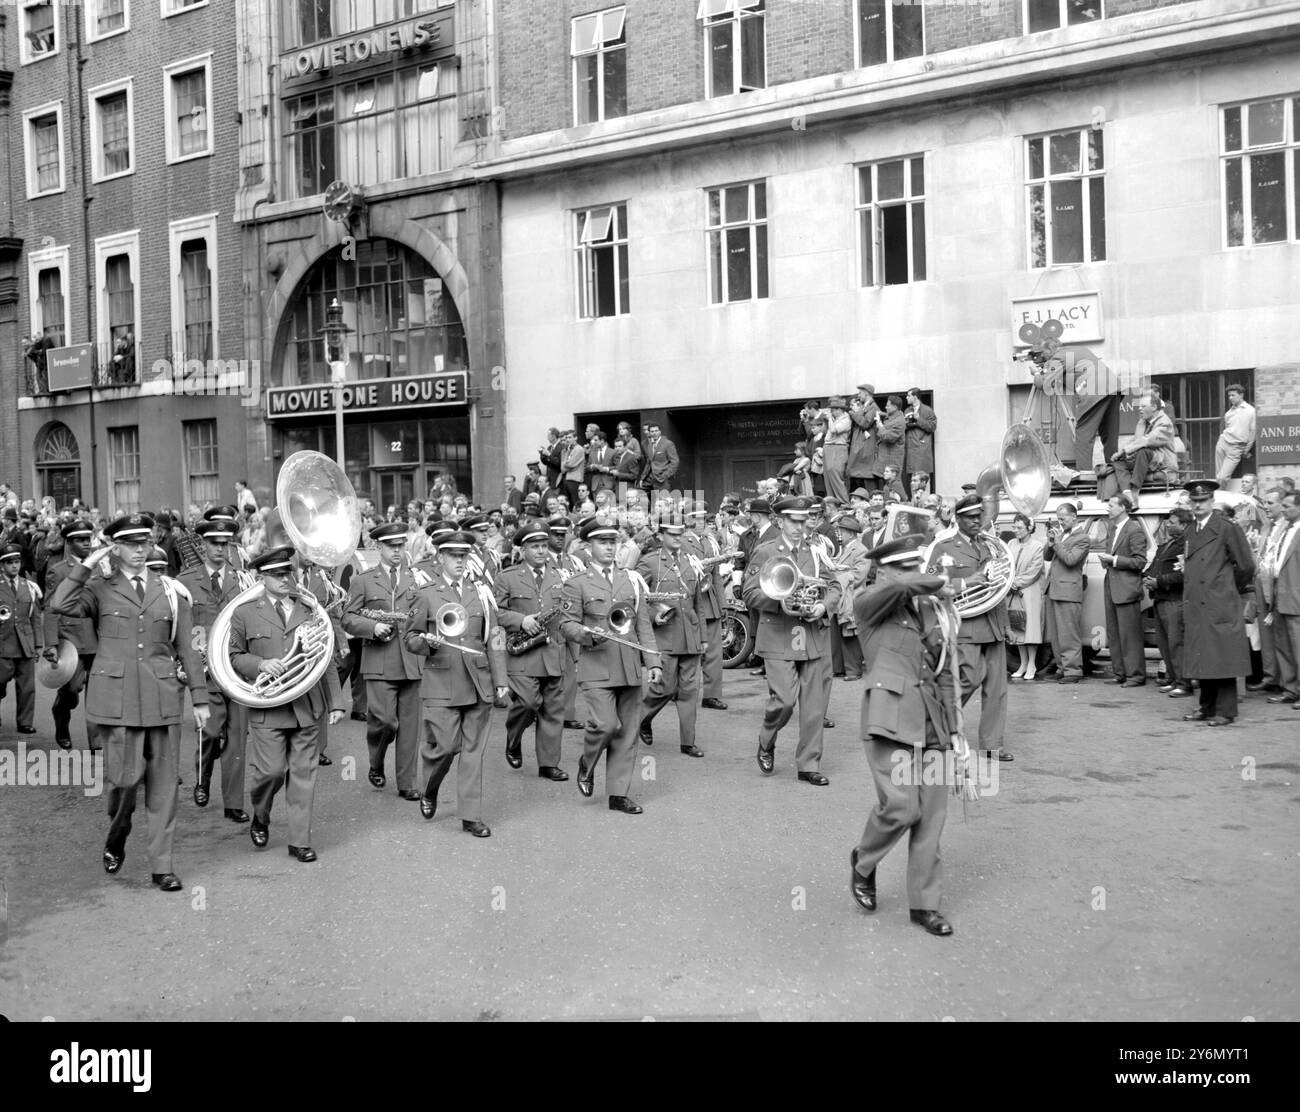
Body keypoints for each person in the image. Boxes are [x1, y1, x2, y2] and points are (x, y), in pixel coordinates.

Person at [51, 513, 209, 890]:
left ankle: (162, 866)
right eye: (130, 544)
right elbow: (60, 603)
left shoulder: (171, 591)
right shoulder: (99, 588)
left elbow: (187, 648)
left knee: (165, 785)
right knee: (124, 780)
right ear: (115, 547)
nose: (140, 550)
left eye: (145, 543)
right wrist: (89, 564)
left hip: (162, 697)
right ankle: (118, 831)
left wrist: (199, 699)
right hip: (118, 699)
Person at [849, 535, 959, 937]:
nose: (914, 573)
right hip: (889, 717)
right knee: (901, 807)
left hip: (931, 718)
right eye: (907, 567)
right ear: (886, 570)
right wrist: (937, 578)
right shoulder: (869, 601)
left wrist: (956, 728)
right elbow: (901, 586)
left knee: (931, 817)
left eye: (919, 565)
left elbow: (945, 668)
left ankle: (925, 906)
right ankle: (863, 861)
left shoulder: (928, 606)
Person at [404, 530, 508, 837]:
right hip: (441, 682)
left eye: (464, 556)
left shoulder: (481, 592)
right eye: (454, 556)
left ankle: (470, 815)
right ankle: (430, 787)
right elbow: (409, 638)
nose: (461, 562)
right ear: (441, 558)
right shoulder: (426, 593)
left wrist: (501, 680)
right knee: (446, 747)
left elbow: (494, 638)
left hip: (478, 682)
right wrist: (428, 643)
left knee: (473, 752)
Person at [560, 516, 663, 814]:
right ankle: (587, 761)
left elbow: (643, 624)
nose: (608, 548)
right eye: (601, 542)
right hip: (597, 665)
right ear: (588, 545)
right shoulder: (576, 583)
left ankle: (618, 794)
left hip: (629, 664)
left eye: (612, 542)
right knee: (605, 726)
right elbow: (566, 624)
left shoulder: (630, 579)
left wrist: (652, 661)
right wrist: (586, 635)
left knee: (628, 732)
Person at [741, 496, 842, 784]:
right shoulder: (766, 552)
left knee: (814, 706)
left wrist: (823, 607)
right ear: (780, 521)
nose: (800, 527)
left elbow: (833, 587)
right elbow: (749, 593)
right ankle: (766, 739)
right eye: (794, 521)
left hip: (812, 635)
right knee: (784, 700)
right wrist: (780, 598)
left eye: (803, 520)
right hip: (778, 635)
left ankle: (808, 765)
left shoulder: (816, 551)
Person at [924, 494, 1013, 761]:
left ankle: (992, 745)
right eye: (971, 517)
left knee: (997, 688)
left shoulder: (990, 545)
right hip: (966, 624)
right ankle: (938, 728)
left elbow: (1000, 585)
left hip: (993, 624)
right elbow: (929, 582)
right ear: (958, 519)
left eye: (979, 517)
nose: (977, 522)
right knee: (967, 679)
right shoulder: (944, 546)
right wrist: (967, 582)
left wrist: (1006, 625)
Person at [342, 523, 426, 800]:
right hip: (379, 662)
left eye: (401, 546)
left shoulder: (416, 579)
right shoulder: (363, 580)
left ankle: (407, 783)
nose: (398, 551)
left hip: (411, 661)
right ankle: (376, 760)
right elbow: (348, 618)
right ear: (379, 547)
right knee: (385, 722)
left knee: (410, 728)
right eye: (392, 546)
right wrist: (371, 628)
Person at [177, 519, 252, 823]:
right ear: (202, 545)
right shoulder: (185, 580)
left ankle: (234, 802)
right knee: (209, 731)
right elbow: (180, 628)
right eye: (214, 543)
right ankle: (202, 777)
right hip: (204, 668)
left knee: (237, 736)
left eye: (225, 543)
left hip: (235, 668)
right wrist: (182, 663)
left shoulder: (243, 580)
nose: (220, 549)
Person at [494, 522, 569, 780]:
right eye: (534, 547)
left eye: (544, 546)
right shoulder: (507, 576)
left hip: (553, 652)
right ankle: (513, 739)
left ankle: (548, 764)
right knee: (527, 702)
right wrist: (521, 620)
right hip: (522, 653)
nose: (541, 551)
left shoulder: (561, 576)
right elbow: (495, 612)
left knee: (552, 710)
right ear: (523, 549)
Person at [1180, 480, 1255, 726]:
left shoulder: (1225, 527)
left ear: (1211, 501)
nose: (1198, 505)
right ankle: (1206, 707)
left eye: (1203, 501)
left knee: (1223, 657)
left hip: (1219, 602)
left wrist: (1226, 588)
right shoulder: (1191, 529)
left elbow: (1245, 565)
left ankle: (1225, 711)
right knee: (1204, 656)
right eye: (1195, 501)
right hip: (1197, 605)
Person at [637, 519, 705, 758]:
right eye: (673, 534)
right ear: (660, 535)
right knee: (663, 688)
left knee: (689, 691)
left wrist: (703, 637)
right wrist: (656, 615)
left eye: (680, 534)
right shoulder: (650, 562)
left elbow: (698, 602)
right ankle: (642, 719)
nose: (678, 538)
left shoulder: (690, 560)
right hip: (665, 636)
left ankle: (688, 742)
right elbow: (635, 598)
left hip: (691, 636)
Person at [42, 520, 102, 751]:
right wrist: (51, 645)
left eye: (88, 539)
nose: (86, 544)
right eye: (80, 539)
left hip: (98, 638)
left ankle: (96, 743)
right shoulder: (58, 571)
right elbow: (50, 608)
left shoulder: (100, 568)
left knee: (98, 693)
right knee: (71, 690)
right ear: (68, 543)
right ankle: (61, 711)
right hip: (71, 640)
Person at [682, 504, 728, 710]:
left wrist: (722, 603)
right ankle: (681, 691)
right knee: (688, 651)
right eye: (698, 519)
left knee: (715, 654)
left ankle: (711, 694)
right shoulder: (682, 541)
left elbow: (716, 574)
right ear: (689, 521)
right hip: (691, 600)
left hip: (710, 602)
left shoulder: (710, 541)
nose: (703, 523)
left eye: (703, 519)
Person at [1099, 491, 1148, 686]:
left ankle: (1135, 675)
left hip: (1126, 589)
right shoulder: (1113, 528)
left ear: (1122, 507)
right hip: (1112, 585)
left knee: (1130, 634)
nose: (1108, 509)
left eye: (1111, 505)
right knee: (1114, 633)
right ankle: (1120, 672)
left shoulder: (1134, 529)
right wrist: (1108, 562)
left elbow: (1140, 561)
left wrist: (1115, 560)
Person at [1144, 507, 1191, 697]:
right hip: (1160, 598)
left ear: (1184, 524)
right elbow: (1154, 565)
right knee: (1164, 643)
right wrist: (1147, 577)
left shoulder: (1187, 545)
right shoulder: (1167, 545)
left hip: (1175, 600)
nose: (1168, 525)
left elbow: (1183, 575)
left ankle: (1183, 682)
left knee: (1176, 643)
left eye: (1172, 522)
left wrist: (1159, 581)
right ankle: (1173, 678)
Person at [1043, 502, 1090, 684]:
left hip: (1068, 590)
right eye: (1058, 519)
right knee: (1056, 634)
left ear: (1074, 517)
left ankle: (1073, 671)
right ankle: (1062, 667)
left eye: (1062, 519)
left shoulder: (1083, 538)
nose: (1060, 522)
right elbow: (1047, 557)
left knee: (1069, 633)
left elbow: (1071, 560)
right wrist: (1050, 542)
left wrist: (1057, 544)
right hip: (1055, 589)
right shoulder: (1062, 535)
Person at [0, 543, 43, 734]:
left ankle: (25, 721)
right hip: (2, 644)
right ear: (2, 566)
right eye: (9, 563)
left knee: (27, 688)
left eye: (17, 562)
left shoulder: (30, 587)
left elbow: (35, 617)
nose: (14, 566)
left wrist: (38, 644)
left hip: (25, 644)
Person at [1264, 492, 1300, 709]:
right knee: (1284, 646)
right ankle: (1290, 689)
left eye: (1287, 506)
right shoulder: (1285, 530)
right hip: (1279, 595)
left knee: (1298, 647)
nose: (1283, 509)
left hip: (1295, 597)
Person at [1110, 390, 1178, 494]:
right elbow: (1135, 440)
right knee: (1118, 462)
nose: (1139, 409)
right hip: (1146, 464)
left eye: (1143, 406)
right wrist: (1121, 453)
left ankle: (1135, 490)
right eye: (1139, 406)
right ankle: (1127, 492)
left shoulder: (1165, 423)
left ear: (1154, 407)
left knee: (1143, 452)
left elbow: (1148, 440)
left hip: (1162, 465)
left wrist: (1124, 451)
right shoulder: (1142, 422)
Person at [1006, 513, 1044, 681]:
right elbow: (1005, 563)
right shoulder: (1011, 543)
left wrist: (1017, 582)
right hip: (1013, 590)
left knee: (1031, 628)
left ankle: (1032, 664)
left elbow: (1035, 571)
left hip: (1030, 592)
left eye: (1020, 527)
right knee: (1017, 626)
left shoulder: (1037, 546)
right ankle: (1023, 663)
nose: (1016, 531)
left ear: (1029, 528)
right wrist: (1010, 582)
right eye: (1014, 527)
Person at [1215, 384, 1256, 483]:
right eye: (1229, 396)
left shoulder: (1250, 411)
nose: (1230, 398)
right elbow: (1227, 428)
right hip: (1222, 443)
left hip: (1236, 447)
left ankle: (1219, 496)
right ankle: (1220, 496)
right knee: (1218, 476)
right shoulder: (1228, 413)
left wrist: (1246, 450)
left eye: (1233, 395)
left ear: (1241, 395)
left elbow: (1253, 432)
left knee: (1222, 478)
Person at [847, 385, 881, 492]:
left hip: (865, 448)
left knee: (865, 478)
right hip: (860, 447)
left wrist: (854, 413)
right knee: (857, 477)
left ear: (867, 393)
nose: (858, 395)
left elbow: (865, 423)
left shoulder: (873, 407)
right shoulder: (865, 406)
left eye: (860, 393)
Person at [902, 389, 937, 486]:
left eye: (908, 396)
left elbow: (932, 427)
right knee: (911, 480)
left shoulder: (927, 410)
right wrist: (905, 424)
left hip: (921, 449)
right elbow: (903, 428)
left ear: (915, 397)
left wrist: (918, 419)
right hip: (909, 449)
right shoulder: (907, 410)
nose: (906, 398)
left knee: (921, 478)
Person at [821, 397, 851, 503]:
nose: (831, 412)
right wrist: (826, 420)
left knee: (835, 474)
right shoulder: (834, 419)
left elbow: (833, 430)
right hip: (828, 447)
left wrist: (829, 419)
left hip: (838, 448)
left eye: (833, 410)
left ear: (839, 409)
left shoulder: (846, 420)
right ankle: (832, 502)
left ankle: (843, 502)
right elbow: (824, 432)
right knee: (828, 476)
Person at [640, 422, 679, 494]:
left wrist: (666, 475)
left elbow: (675, 461)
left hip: (663, 478)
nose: (654, 433)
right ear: (649, 433)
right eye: (652, 431)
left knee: (664, 500)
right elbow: (649, 463)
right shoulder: (650, 445)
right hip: (652, 478)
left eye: (656, 431)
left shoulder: (668, 444)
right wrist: (642, 478)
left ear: (660, 431)